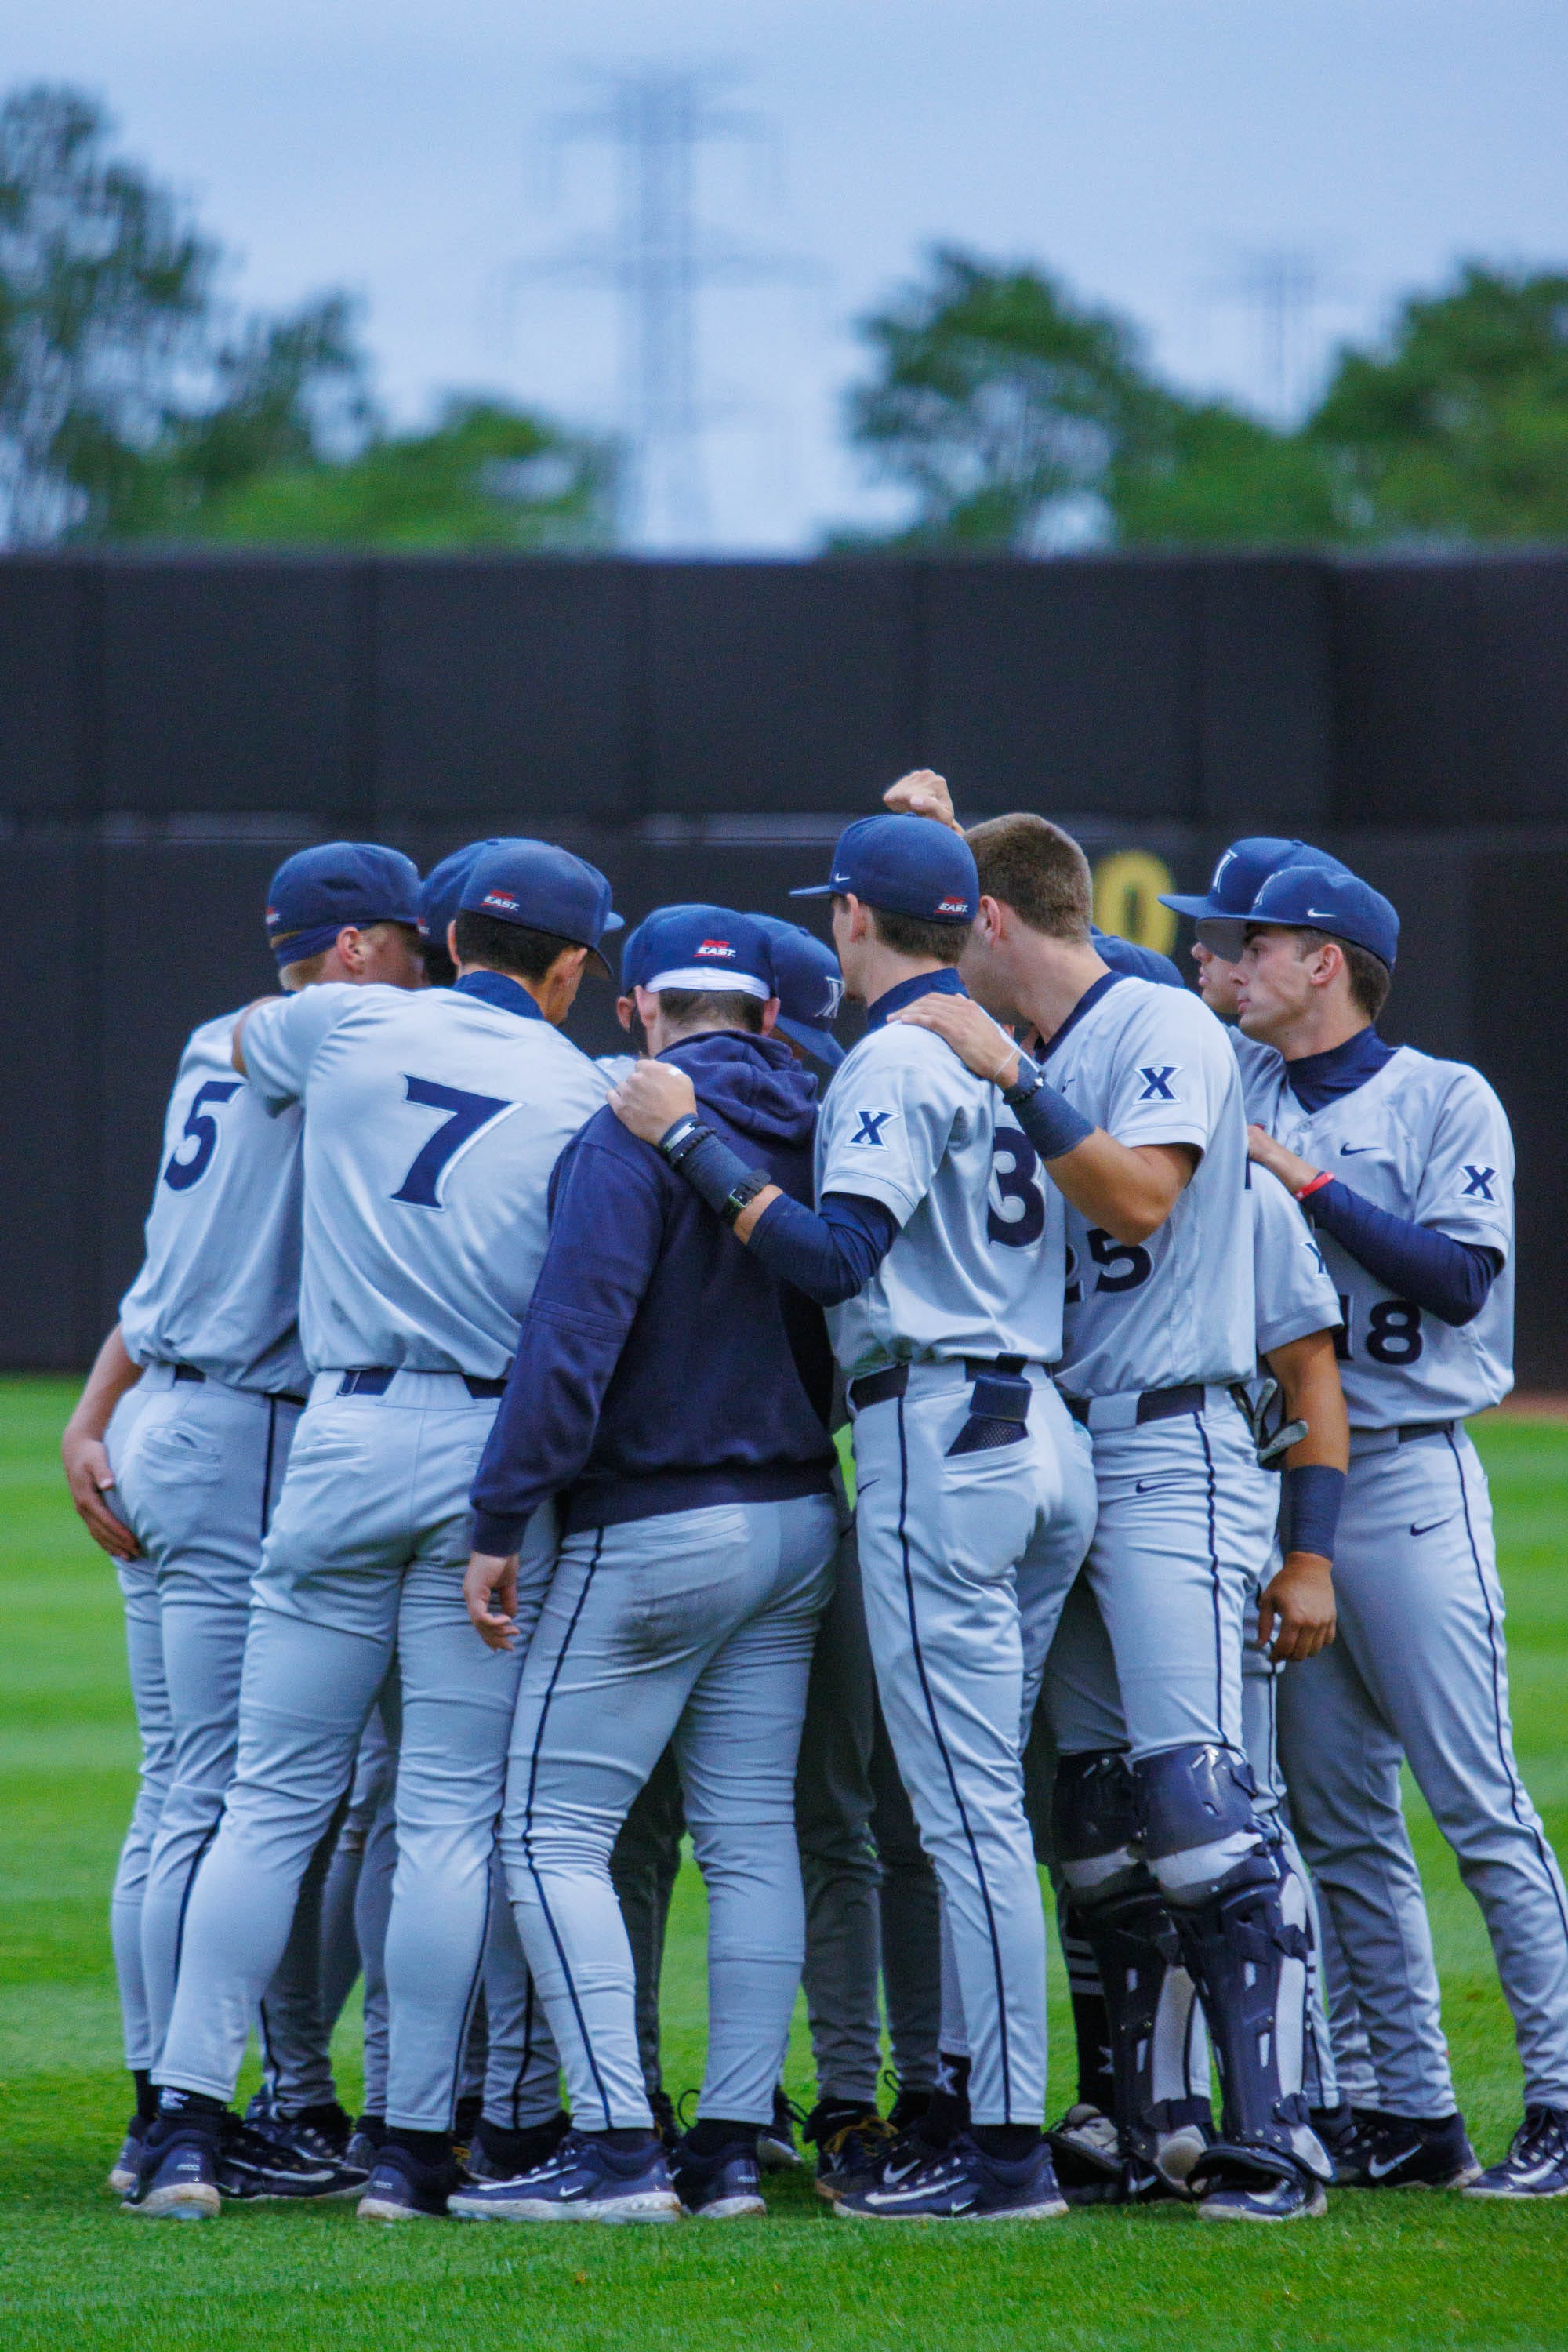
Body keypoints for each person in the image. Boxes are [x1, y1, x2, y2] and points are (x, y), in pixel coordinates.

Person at [123, 839, 615, 2221]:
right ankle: (408, 2153)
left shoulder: (342, 1021)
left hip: (339, 1431)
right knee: (447, 1819)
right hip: (487, 1459)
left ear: (449, 940)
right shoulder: (582, 1087)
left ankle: (183, 2129)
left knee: (270, 1800)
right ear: (572, 968)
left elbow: (245, 1040)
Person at [613, 816, 1096, 2224]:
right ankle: (972, 2115)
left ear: (849, 920)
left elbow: (834, 1258)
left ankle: (999, 2156)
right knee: (982, 1810)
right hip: (1036, 1424)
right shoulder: (1001, 1048)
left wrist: (687, 1137)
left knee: (967, 1820)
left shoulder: (896, 1053)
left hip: (943, 1436)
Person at [878, 775, 1336, 2223]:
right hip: (1068, 1454)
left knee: (1200, 1805)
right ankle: (1149, 2126)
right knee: (1092, 1823)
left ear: (991, 921)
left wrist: (1011, 1077)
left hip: (1172, 1437)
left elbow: (1139, 1197)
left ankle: (1283, 2137)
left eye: (957, 920)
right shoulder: (1041, 1035)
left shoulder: (1160, 1026)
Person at [452, 906, 840, 2225]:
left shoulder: (625, 1126)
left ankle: (617, 2148)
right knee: (751, 1838)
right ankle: (729, 2147)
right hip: (801, 1513)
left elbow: (572, 1341)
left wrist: (501, 1514)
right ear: (773, 1016)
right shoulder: (820, 1117)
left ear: (637, 1012)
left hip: (662, 1521)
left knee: (545, 1832)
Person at [61, 840, 425, 2202]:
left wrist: (93, 1412)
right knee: (229, 1797)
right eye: (410, 941)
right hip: (242, 1433)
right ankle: (183, 2125)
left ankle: (167, 2111)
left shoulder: (214, 1039)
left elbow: (170, 1270)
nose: (428, 965)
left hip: (160, 1412)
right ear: (353, 948)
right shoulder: (333, 1054)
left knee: (180, 1788)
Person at [1228, 858, 1568, 2199]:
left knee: (1480, 1806)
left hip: (1411, 1478)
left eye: (1255, 943)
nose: (1231, 963)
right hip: (1288, 1486)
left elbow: (1458, 1277)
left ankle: (1561, 2097)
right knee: (1339, 1820)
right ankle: (1411, 2108)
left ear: (1325, 961)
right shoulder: (1236, 1079)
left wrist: (1302, 1180)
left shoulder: (1442, 1095)